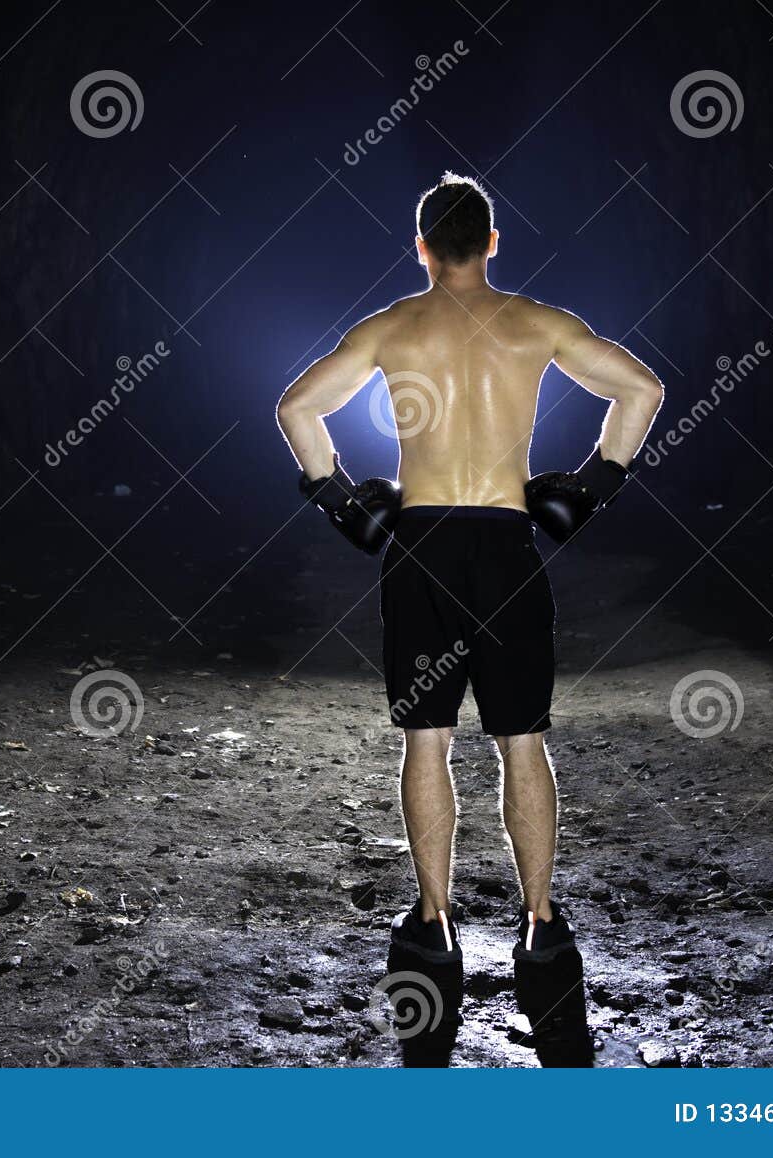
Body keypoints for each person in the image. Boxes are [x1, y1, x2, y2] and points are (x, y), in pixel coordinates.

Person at [275, 172, 664, 982]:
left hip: (422, 549)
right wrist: (594, 485)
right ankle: (542, 924)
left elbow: (296, 409)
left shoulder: (391, 328)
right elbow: (642, 389)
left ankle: (434, 922)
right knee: (522, 738)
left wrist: (343, 503)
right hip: (506, 545)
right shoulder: (537, 324)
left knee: (429, 739)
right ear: (492, 242)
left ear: (420, 249)